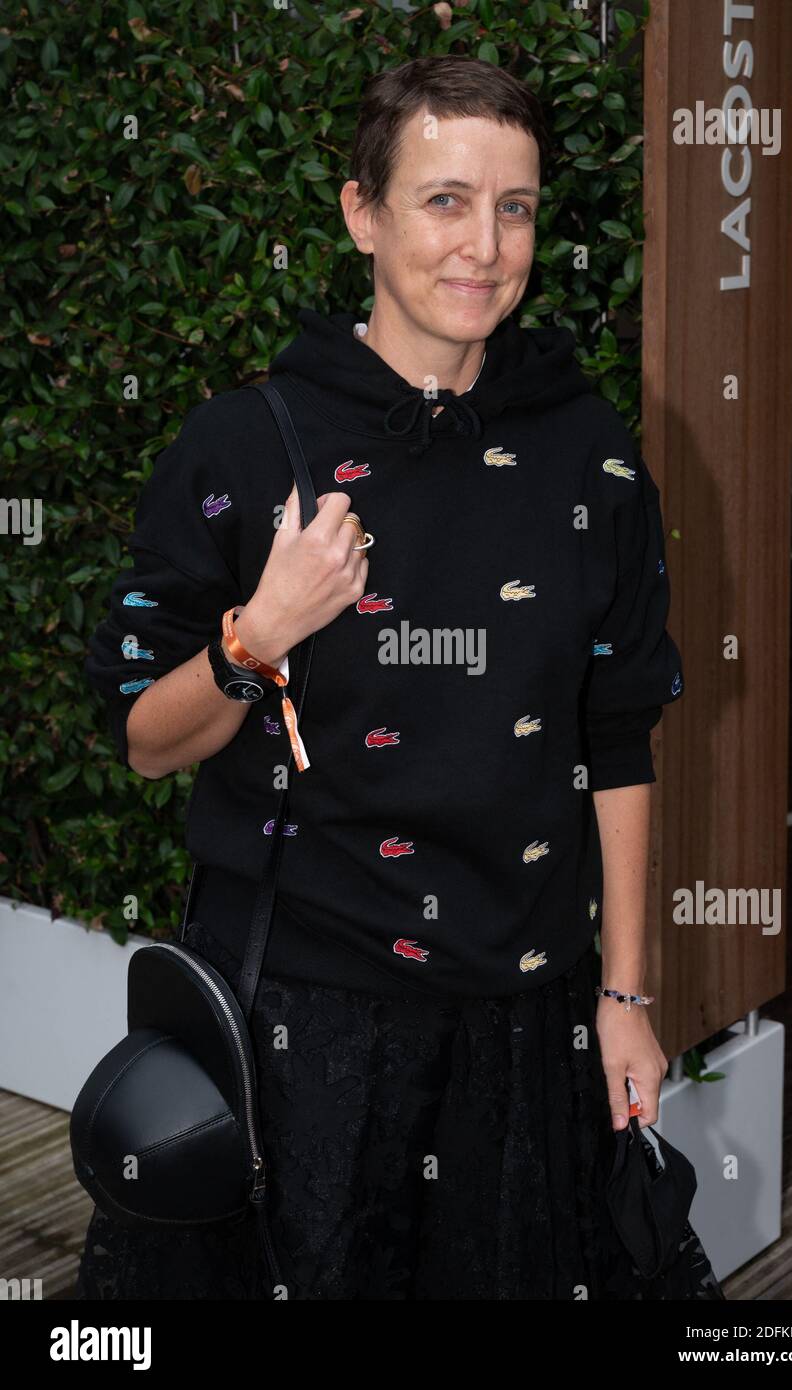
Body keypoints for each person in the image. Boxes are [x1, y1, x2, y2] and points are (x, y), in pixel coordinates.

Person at [75, 54, 724, 1300]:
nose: (484, 244)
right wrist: (256, 636)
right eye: (442, 200)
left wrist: (624, 991)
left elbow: (618, 737)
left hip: (522, 1023)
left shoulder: (591, 459)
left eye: (515, 205)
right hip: (302, 1021)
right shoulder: (241, 445)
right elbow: (148, 741)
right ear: (360, 214)